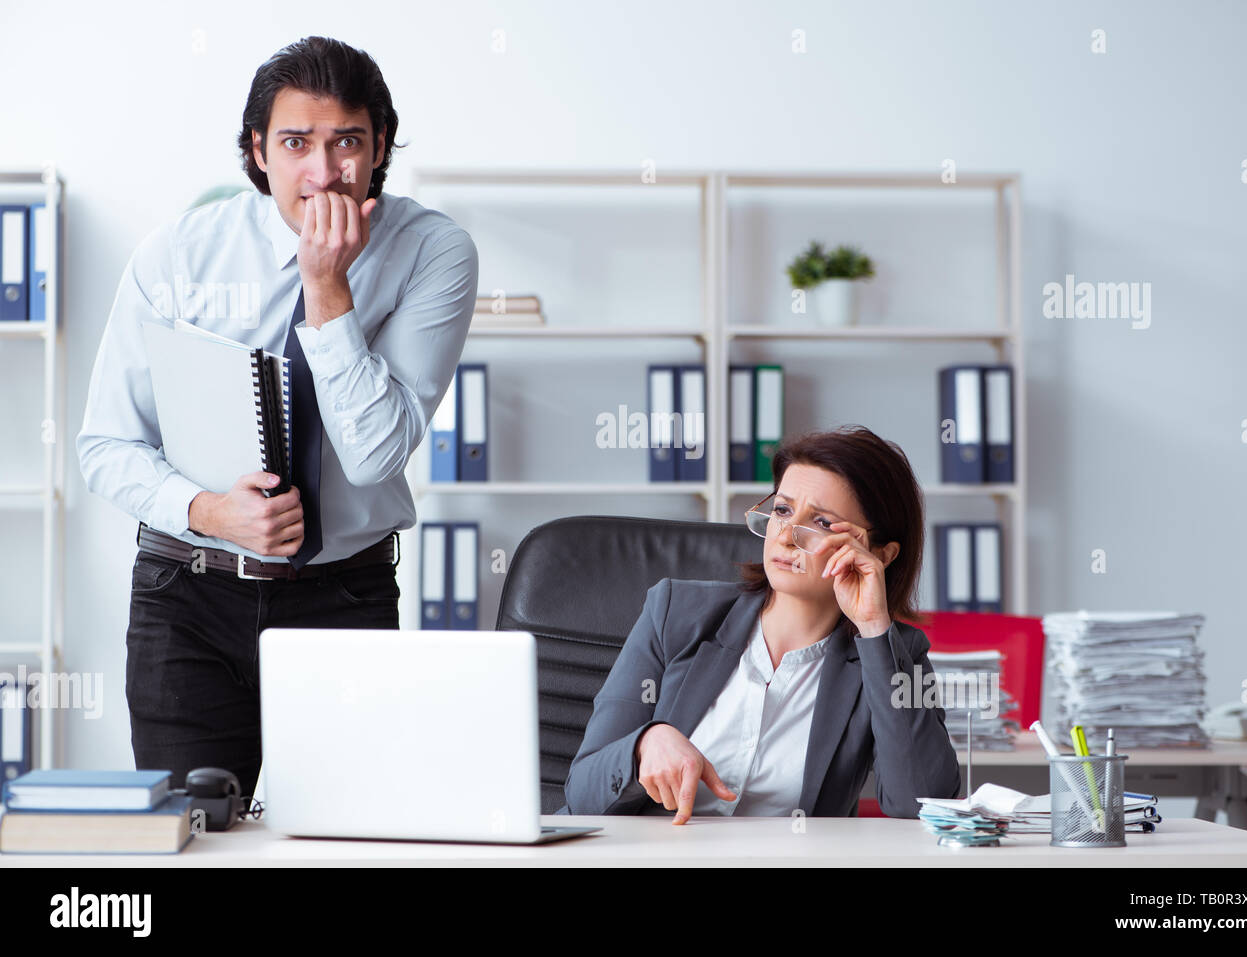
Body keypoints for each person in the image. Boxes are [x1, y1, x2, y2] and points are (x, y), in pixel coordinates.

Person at [77, 36, 478, 803]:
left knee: (343, 836)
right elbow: (105, 445)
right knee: (191, 835)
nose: (323, 172)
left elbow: (374, 455)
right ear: (258, 149)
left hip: (342, 601)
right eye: (296, 143)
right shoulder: (180, 255)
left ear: (380, 145)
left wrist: (327, 287)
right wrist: (209, 511)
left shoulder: (434, 253)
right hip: (187, 597)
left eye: (346, 143)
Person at [559, 425, 962, 822]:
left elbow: (920, 801)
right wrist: (644, 745)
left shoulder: (894, 653)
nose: (786, 536)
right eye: (783, 510)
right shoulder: (675, 612)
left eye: (821, 523)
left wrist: (874, 628)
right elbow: (582, 791)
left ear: (880, 553)